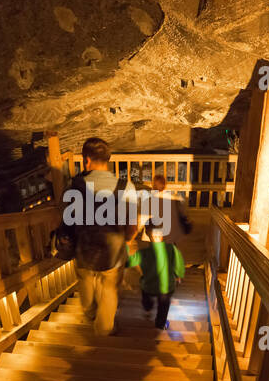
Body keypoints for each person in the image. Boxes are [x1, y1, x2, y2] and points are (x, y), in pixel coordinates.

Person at [65, 137, 135, 336]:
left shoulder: (76, 185)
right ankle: (104, 328)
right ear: (108, 159)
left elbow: (67, 216)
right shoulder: (124, 186)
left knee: (86, 279)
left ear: (87, 160)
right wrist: (127, 240)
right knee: (109, 287)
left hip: (83, 244)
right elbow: (132, 223)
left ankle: (89, 313)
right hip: (113, 247)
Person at [127, 232, 186, 330]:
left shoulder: (143, 252)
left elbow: (128, 262)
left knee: (146, 296)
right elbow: (178, 264)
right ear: (162, 235)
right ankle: (161, 324)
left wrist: (126, 245)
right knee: (164, 306)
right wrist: (179, 276)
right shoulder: (171, 249)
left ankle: (147, 308)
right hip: (166, 288)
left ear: (149, 236)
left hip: (148, 286)